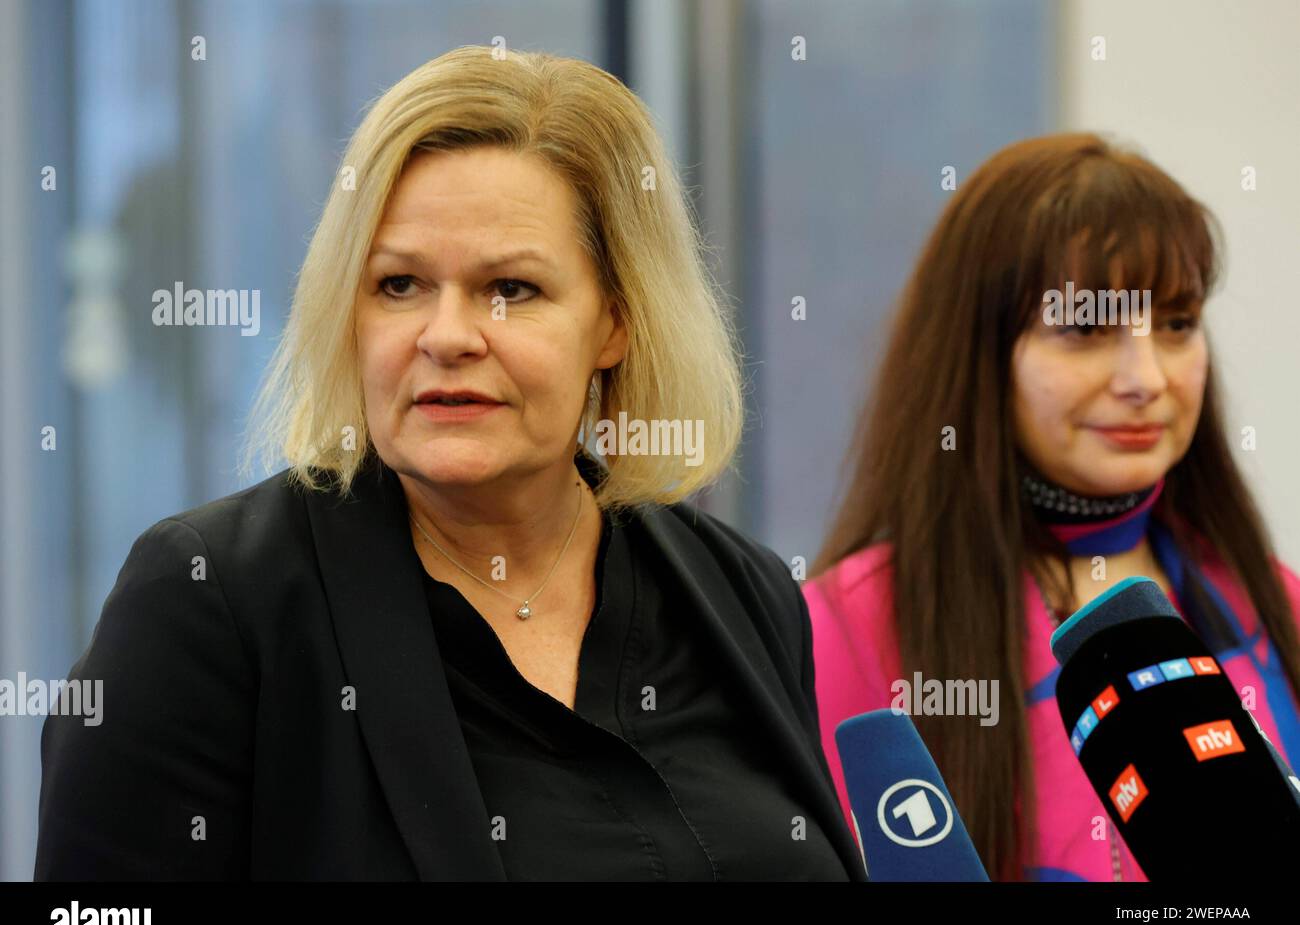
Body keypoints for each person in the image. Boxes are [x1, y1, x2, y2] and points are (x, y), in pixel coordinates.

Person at [35, 46, 863, 882]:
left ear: (615, 321)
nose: (447, 335)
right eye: (399, 285)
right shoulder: (211, 602)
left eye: (511, 288)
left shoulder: (740, 594)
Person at [804, 133, 1300, 881]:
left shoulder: (1274, 600)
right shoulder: (841, 628)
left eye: (1175, 323)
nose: (1145, 378)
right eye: (1084, 329)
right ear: (980, 354)